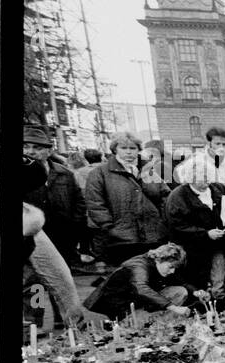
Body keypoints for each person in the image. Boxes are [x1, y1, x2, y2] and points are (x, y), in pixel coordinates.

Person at [165, 155, 225, 303]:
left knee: (220, 279)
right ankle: (202, 308)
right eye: (201, 179)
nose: (206, 182)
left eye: (207, 178)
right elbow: (177, 225)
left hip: (220, 245)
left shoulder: (219, 188)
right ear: (190, 179)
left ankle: (223, 304)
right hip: (194, 250)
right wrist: (205, 234)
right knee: (198, 281)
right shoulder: (178, 196)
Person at [84, 131, 169, 265]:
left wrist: (163, 221)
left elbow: (165, 196)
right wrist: (108, 226)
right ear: (114, 149)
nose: (128, 152)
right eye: (123, 148)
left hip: (152, 235)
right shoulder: (99, 173)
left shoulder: (149, 170)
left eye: (132, 148)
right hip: (121, 238)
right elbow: (95, 203)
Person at [83, 242, 200, 318]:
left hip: (137, 301)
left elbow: (178, 280)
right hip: (119, 307)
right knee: (143, 321)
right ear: (159, 259)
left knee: (180, 291)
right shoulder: (139, 265)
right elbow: (141, 288)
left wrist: (196, 292)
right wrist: (173, 307)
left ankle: (161, 322)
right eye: (171, 267)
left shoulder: (159, 263)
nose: (172, 271)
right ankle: (151, 323)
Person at [23, 124, 85, 265]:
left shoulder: (65, 173)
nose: (30, 152)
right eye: (26, 147)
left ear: (49, 151)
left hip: (63, 235)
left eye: (37, 148)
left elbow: (79, 202)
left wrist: (74, 227)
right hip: (33, 237)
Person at [176, 127, 225, 193]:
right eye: (217, 144)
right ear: (209, 143)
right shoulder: (195, 162)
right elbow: (184, 187)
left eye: (224, 144)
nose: (221, 147)